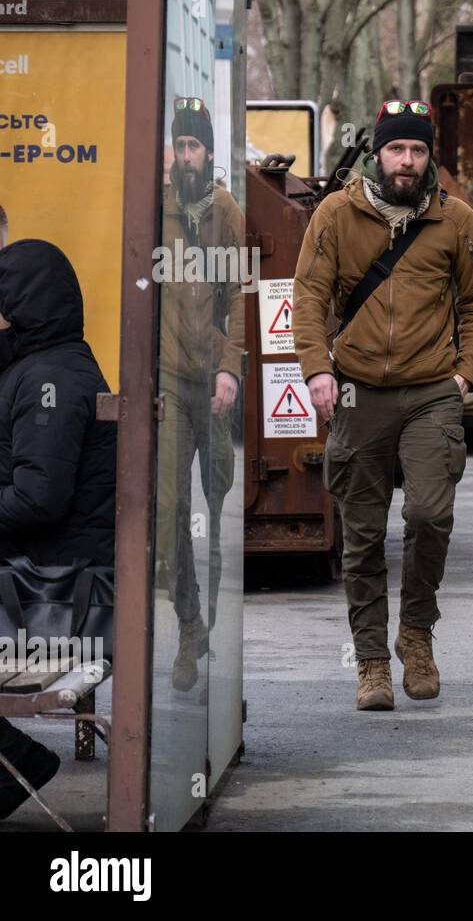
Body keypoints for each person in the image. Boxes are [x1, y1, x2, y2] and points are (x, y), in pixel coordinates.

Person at [294, 99, 473, 711]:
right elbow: (309, 297)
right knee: (360, 534)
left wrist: (466, 373)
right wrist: (316, 370)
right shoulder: (336, 213)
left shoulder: (454, 219)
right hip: (356, 391)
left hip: (433, 390)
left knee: (430, 516)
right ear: (376, 154)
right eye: (396, 149)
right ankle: (373, 662)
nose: (406, 161)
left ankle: (416, 634)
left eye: (416, 150)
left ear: (428, 156)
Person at [0, 240, 116, 818]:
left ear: (23, 307)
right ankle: (13, 760)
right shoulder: (49, 365)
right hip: (48, 581)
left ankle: (14, 763)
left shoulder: (49, 378)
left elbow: (37, 500)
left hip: (53, 595)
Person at [157, 96, 245, 692]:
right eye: (179, 145)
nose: (186, 156)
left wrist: (230, 369)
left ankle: (213, 618)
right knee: (167, 512)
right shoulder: (154, 208)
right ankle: (189, 623)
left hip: (212, 382)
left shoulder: (227, 213)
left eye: (194, 146)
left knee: (216, 501)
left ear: (209, 153)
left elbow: (242, 295)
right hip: (166, 377)